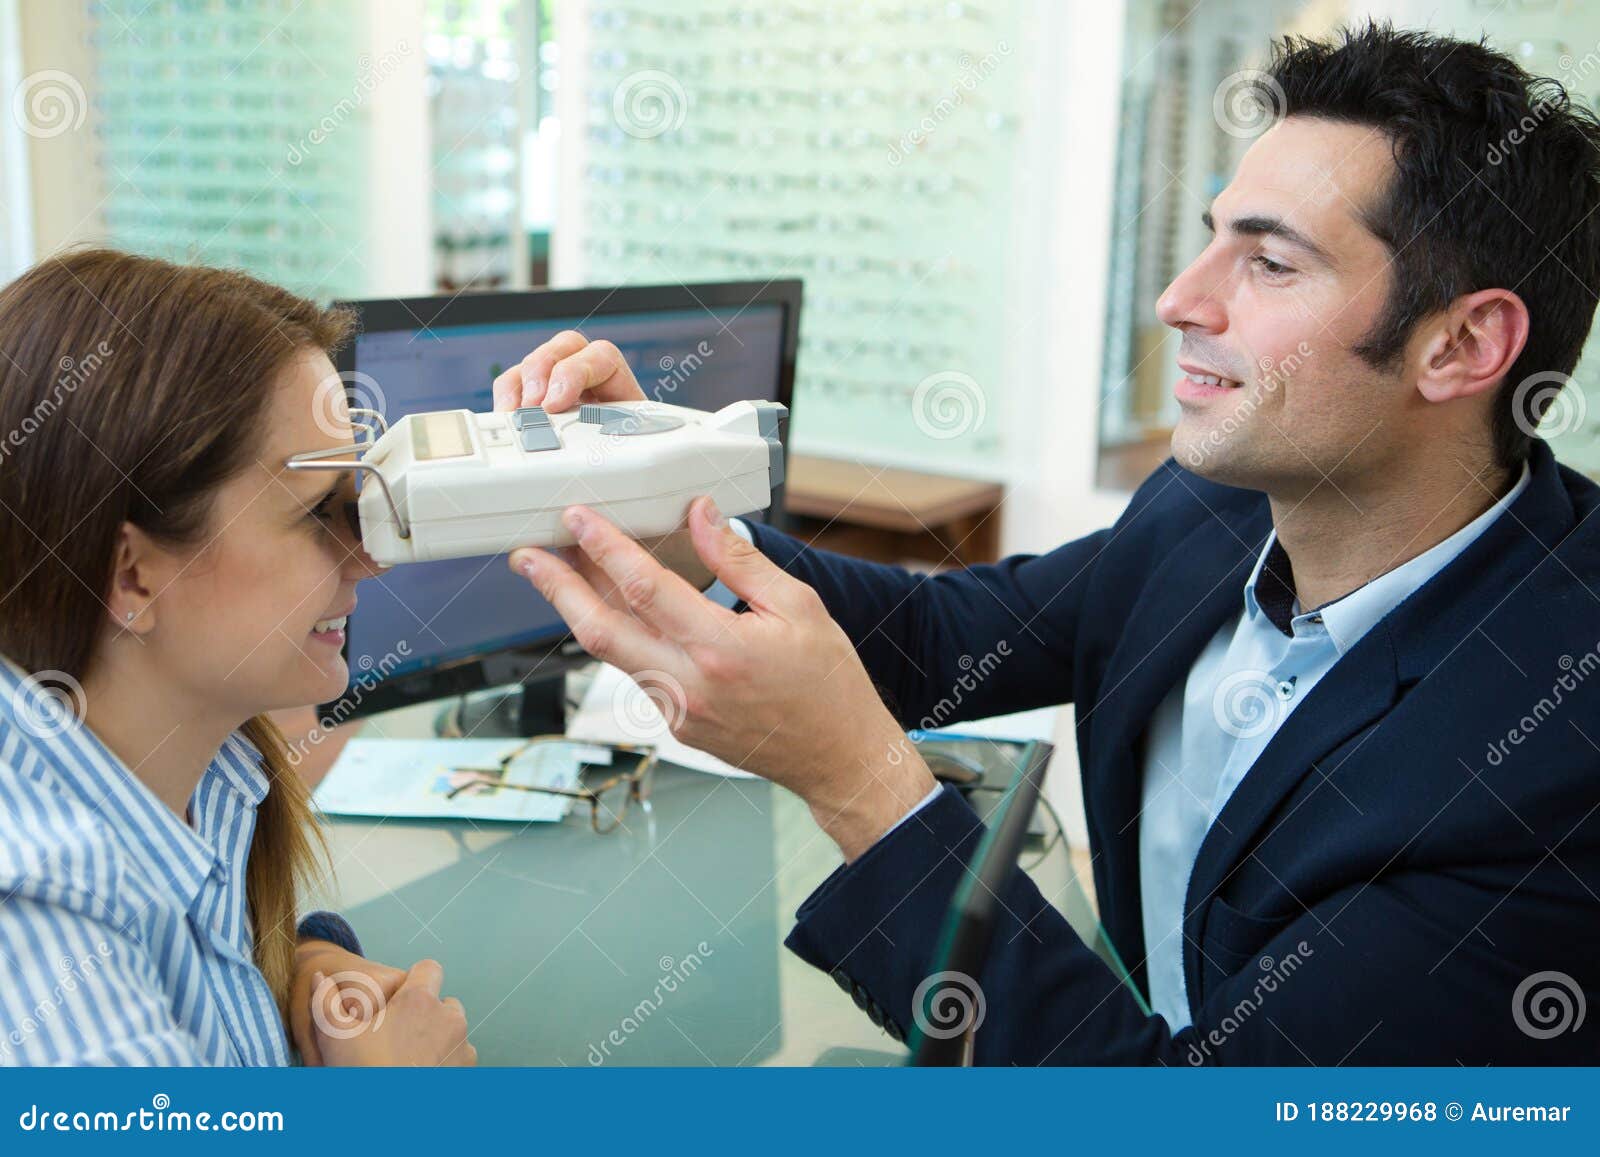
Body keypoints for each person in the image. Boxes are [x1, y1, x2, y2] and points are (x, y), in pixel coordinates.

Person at [494, 23, 1600, 1063]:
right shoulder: (1214, 507)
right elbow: (940, 635)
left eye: (1268, 264)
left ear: (1461, 343)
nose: (1177, 299)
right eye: (1209, 238)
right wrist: (667, 499)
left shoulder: (1552, 757)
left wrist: (860, 782)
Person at [0, 250, 475, 1066]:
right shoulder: (39, 914)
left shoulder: (205, 765)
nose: (368, 560)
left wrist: (303, 962)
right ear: (134, 573)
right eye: (313, 512)